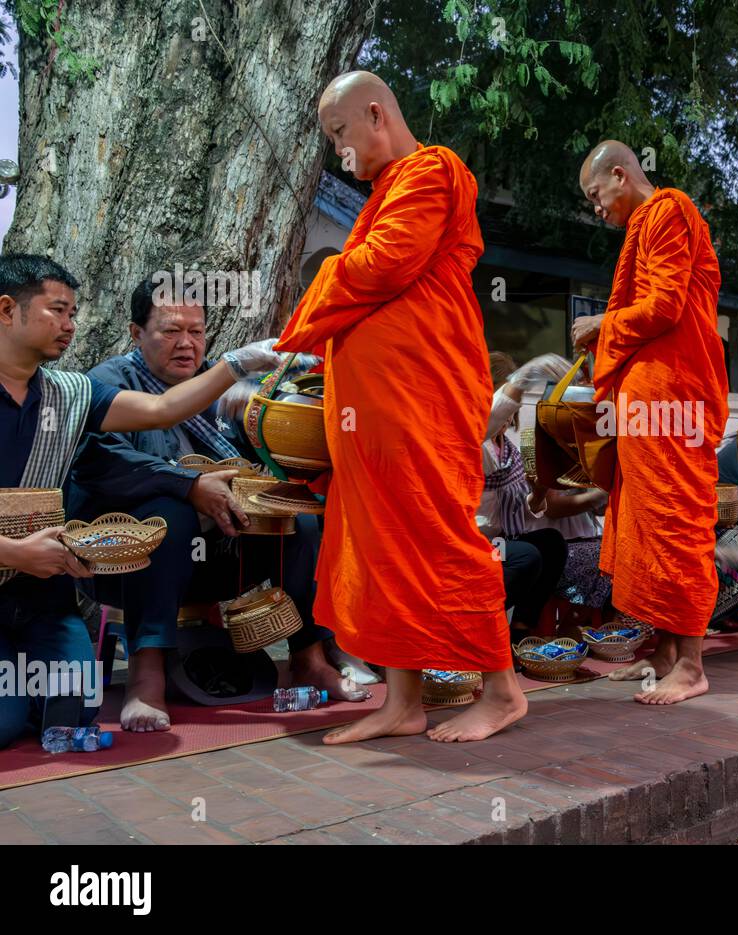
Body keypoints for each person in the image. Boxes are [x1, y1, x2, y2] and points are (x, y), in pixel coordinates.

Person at [275, 71, 524, 743]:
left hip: (421, 391)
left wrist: (320, 284)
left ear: (376, 114)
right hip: (374, 407)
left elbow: (386, 264)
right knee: (382, 544)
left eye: (338, 134)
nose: (337, 154)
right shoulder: (386, 190)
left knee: (438, 530)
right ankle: (402, 700)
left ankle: (501, 690)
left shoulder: (431, 171)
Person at [0, 254, 280, 748]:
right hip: (17, 563)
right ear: (6, 311)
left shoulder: (72, 392)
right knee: (7, 724)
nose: (70, 325)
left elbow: (160, 409)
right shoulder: (99, 379)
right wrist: (15, 552)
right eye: (58, 311)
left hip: (40, 597)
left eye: (72, 313)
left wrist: (239, 363)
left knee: (73, 712)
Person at [66, 277, 365, 732]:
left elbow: (258, 464)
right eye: (170, 331)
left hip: (222, 556)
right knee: (172, 514)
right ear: (135, 333)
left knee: (297, 522)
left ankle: (309, 654)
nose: (186, 344)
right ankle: (145, 675)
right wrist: (189, 483)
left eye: (197, 332)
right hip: (126, 561)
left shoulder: (221, 391)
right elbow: (99, 461)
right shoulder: (105, 384)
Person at [571, 140, 728, 704]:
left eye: (596, 195)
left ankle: (692, 662)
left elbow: (665, 306)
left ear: (620, 174)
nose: (596, 208)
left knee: (674, 518)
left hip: (675, 394)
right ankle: (663, 652)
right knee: (647, 521)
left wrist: (599, 325)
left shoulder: (666, 210)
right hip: (648, 398)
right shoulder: (648, 223)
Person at [477, 351, 570, 635]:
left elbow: (531, 506)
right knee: (525, 556)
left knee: (552, 543)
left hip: (498, 541)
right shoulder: (475, 443)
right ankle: (478, 626)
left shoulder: (509, 449)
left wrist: (539, 492)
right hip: (473, 544)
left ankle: (520, 631)